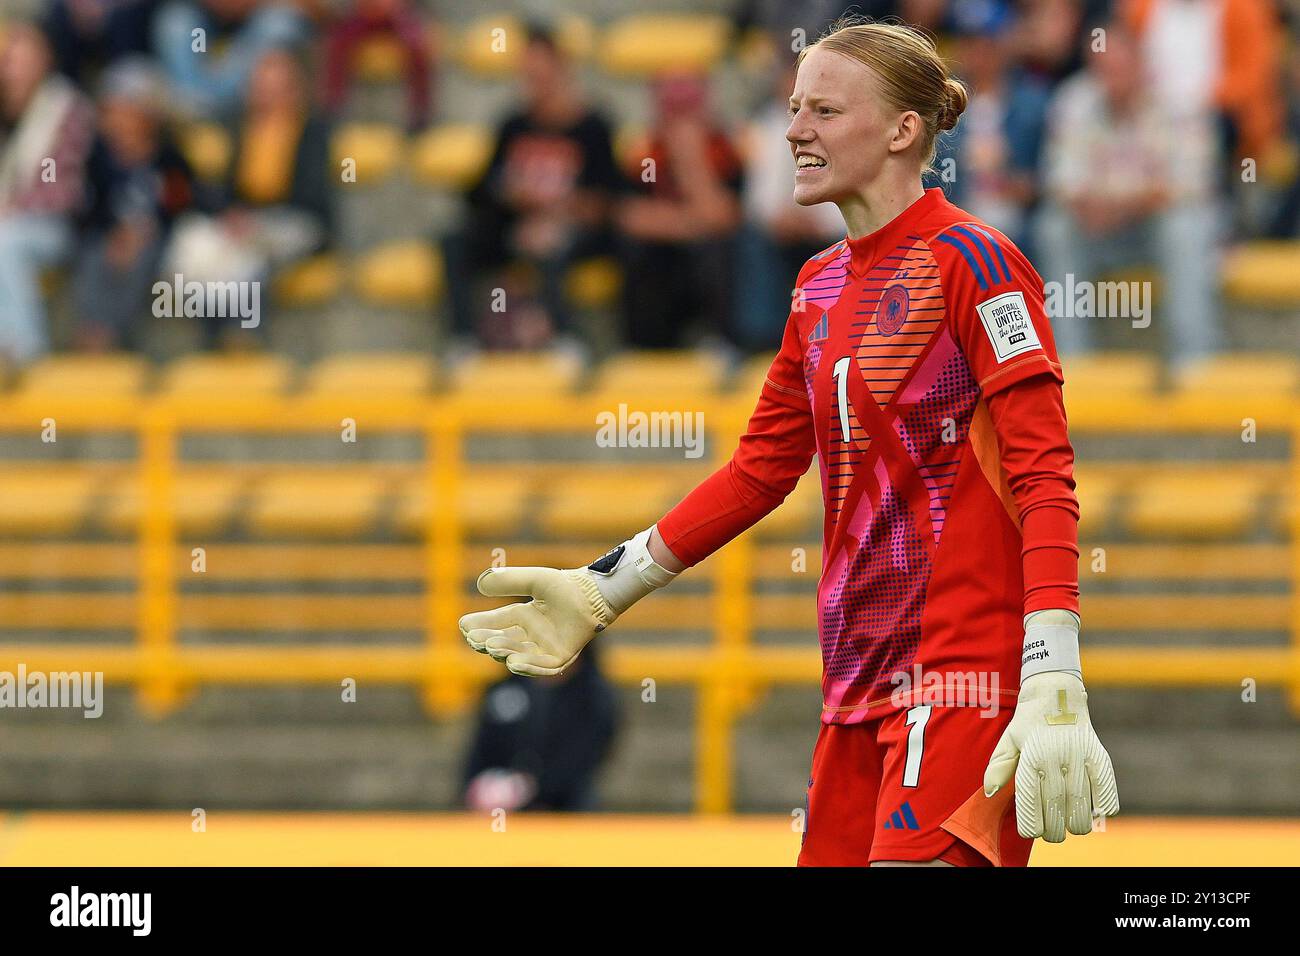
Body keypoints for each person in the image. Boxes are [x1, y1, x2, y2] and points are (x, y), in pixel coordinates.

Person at [459, 18, 1120, 867]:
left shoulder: (977, 263)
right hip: (852, 689)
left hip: (960, 680)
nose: (794, 129)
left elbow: (1044, 474)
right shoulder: (819, 284)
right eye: (794, 107)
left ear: (901, 129)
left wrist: (1053, 668)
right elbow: (758, 472)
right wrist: (604, 591)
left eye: (824, 111)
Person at [1034, 21, 1220, 366]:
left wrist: (1121, 204)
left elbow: (1191, 186)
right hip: (1099, 231)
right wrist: (1106, 203)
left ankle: (1194, 363)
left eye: (1120, 68)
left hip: (1155, 230)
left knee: (1184, 225)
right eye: (1103, 70)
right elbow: (1061, 183)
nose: (1112, 79)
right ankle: (1072, 366)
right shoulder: (1075, 100)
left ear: (1141, 63)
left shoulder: (1179, 104)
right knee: (1054, 227)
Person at [442, 23, 620, 352]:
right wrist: (511, 195)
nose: (534, 84)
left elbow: (609, 200)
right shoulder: (513, 124)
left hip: (573, 233)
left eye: (541, 74)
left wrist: (556, 211)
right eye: (527, 75)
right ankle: (462, 341)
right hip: (516, 226)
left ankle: (566, 340)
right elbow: (480, 190)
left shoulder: (594, 127)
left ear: (561, 70)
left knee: (551, 245)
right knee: (454, 242)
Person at [162, 45, 331, 347]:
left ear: (295, 91)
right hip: (246, 219)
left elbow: (313, 197)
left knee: (251, 255)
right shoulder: (240, 128)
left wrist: (256, 220)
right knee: (199, 244)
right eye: (261, 87)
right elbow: (222, 188)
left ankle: (245, 333)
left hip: (294, 220)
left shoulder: (312, 132)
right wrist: (232, 214)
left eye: (276, 89)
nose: (266, 96)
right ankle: (214, 337)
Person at [73, 57, 196, 350]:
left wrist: (146, 229)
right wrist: (116, 232)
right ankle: (91, 328)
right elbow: (87, 209)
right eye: (113, 112)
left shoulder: (168, 159)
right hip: (110, 235)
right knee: (93, 257)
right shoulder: (98, 160)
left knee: (140, 261)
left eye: (129, 112)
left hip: (155, 237)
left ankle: (111, 337)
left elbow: (182, 203)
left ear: (149, 117)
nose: (120, 121)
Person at [616, 73, 744, 349]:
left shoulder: (722, 151)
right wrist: (692, 224)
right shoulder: (645, 152)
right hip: (660, 263)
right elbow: (631, 216)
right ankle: (643, 349)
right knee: (641, 252)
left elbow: (724, 218)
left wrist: (691, 161)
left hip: (703, 260)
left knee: (717, 251)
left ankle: (719, 341)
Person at [0, 21, 95, 367]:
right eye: (10, 60)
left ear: (45, 60)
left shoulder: (65, 108)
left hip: (55, 227)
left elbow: (62, 190)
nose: (14, 68)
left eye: (24, 59)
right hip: (10, 222)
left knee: (4, 240)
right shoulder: (5, 110)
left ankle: (26, 352)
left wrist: (12, 209)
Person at [460, 645, 619, 813]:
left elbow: (583, 758)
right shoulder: (507, 689)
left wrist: (530, 788)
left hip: (566, 812)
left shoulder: (593, 698)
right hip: (502, 812)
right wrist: (482, 784)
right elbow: (483, 747)